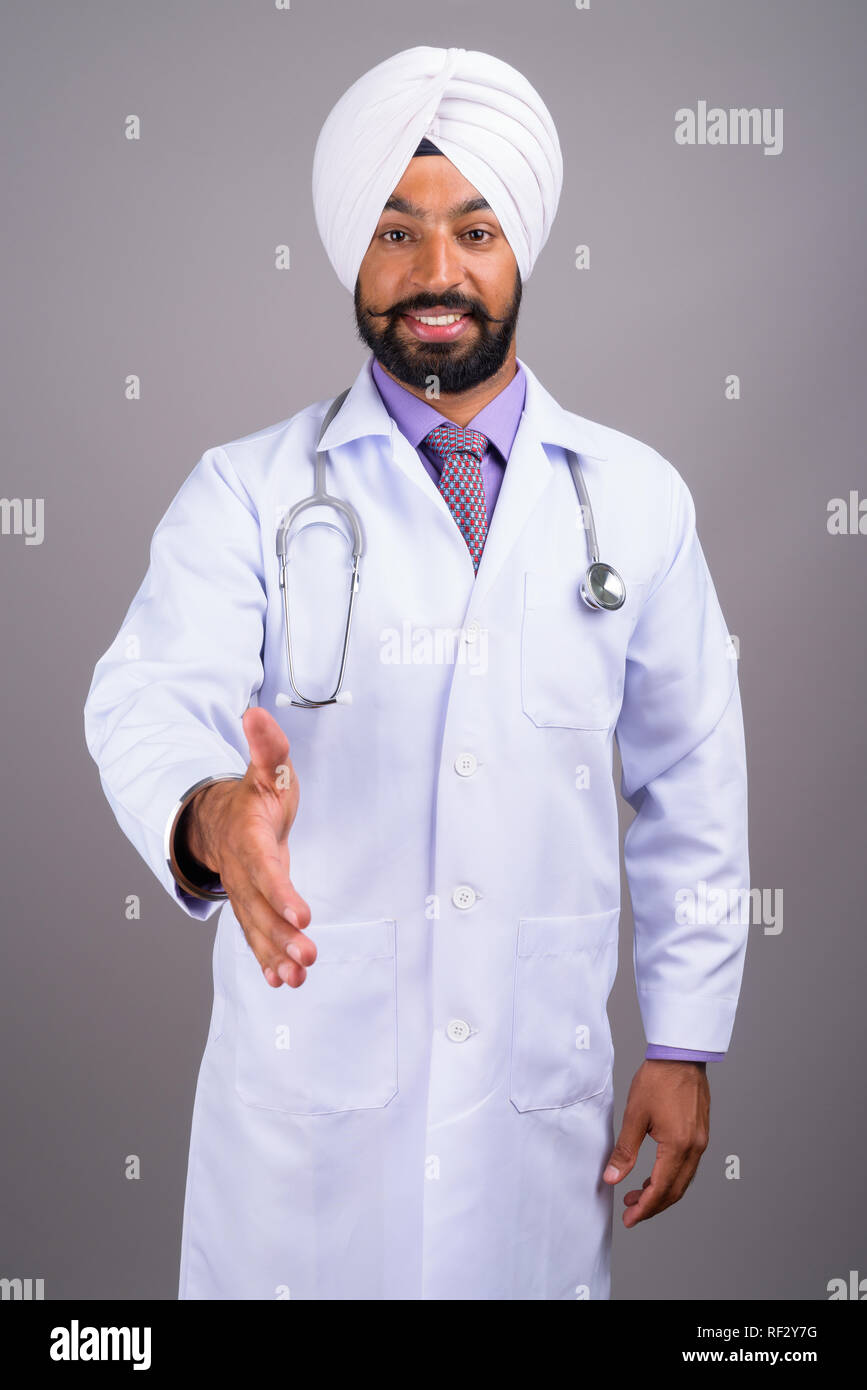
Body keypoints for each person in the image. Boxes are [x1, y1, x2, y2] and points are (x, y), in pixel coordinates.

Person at [83, 45, 750, 1301]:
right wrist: (213, 816)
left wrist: (683, 1034)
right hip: (304, 1135)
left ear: (520, 248)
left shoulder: (635, 500)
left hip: (534, 1117)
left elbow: (691, 776)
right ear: (353, 248)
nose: (437, 274)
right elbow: (146, 694)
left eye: (475, 230)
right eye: (397, 231)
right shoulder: (249, 489)